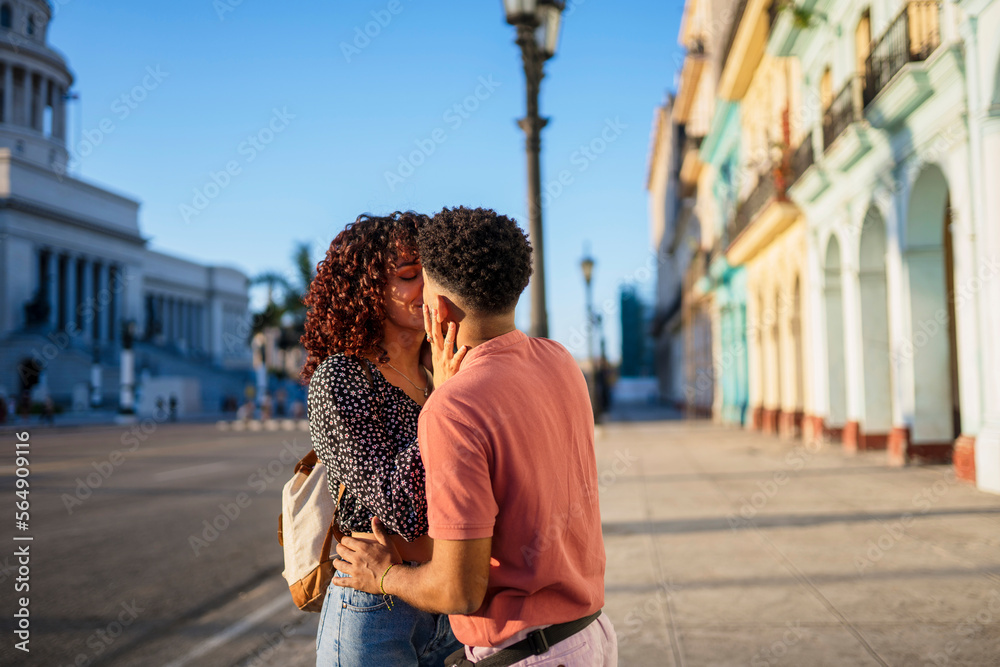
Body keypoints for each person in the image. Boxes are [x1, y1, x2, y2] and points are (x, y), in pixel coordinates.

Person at [333, 207, 617, 666]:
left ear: (438, 309)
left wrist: (383, 576)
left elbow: (459, 590)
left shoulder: (454, 405)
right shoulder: (561, 361)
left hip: (529, 651)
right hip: (589, 635)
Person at [301, 211, 463, 667]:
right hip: (376, 610)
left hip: (450, 596)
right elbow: (402, 508)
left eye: (432, 273)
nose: (428, 288)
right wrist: (446, 403)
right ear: (366, 290)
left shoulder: (443, 370)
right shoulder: (344, 378)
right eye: (410, 276)